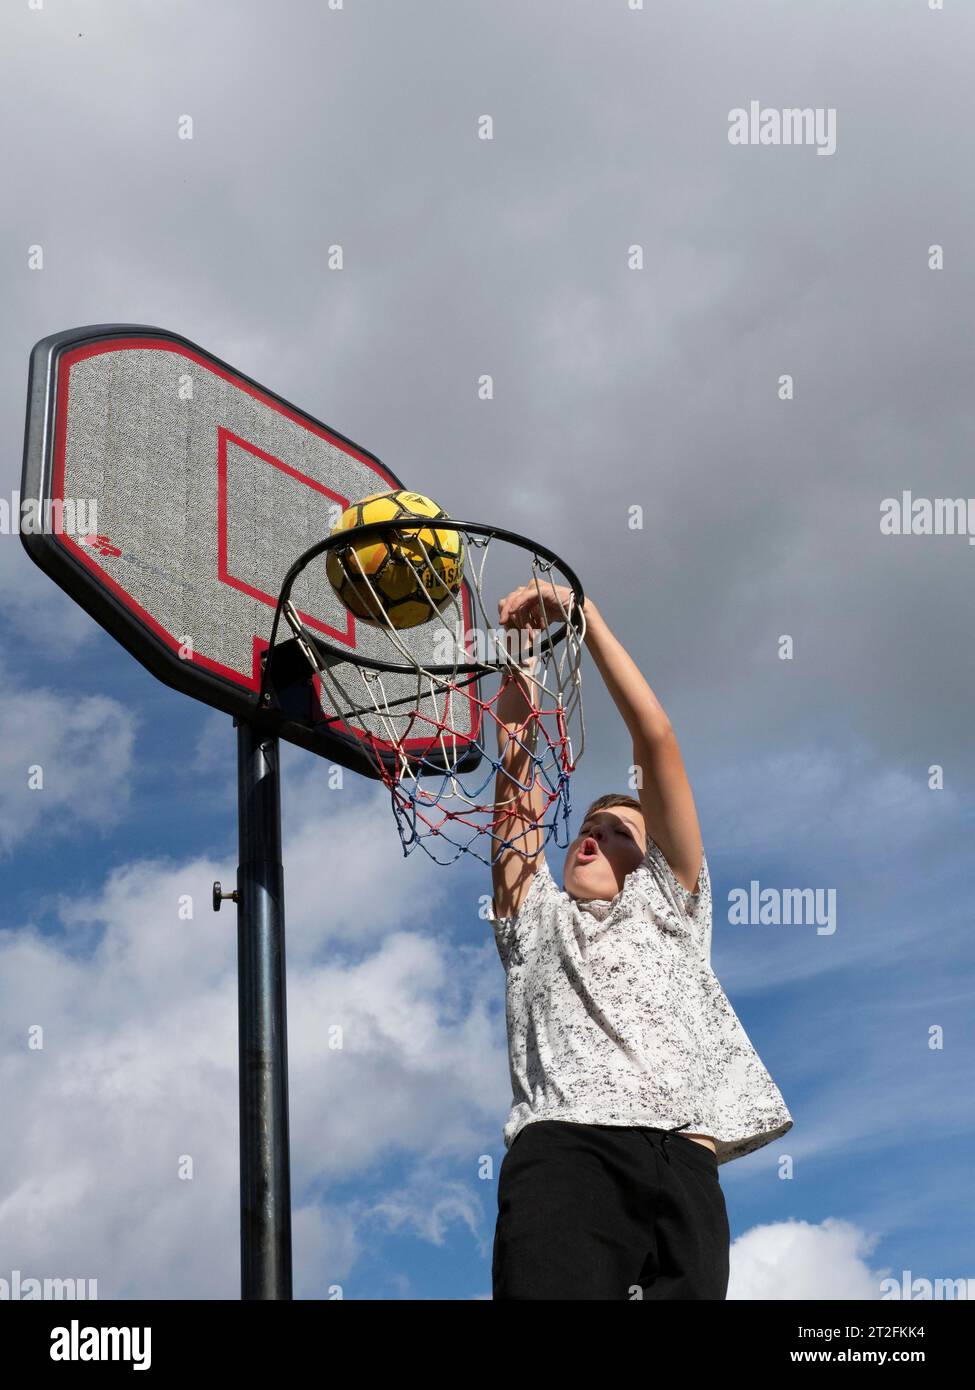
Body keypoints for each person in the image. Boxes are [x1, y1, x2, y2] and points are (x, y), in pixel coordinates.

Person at [487, 582, 793, 1300]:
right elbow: (513, 777)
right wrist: (520, 658)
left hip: (685, 1162)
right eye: (587, 826)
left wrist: (581, 616)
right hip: (568, 1152)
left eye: (620, 828)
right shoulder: (534, 916)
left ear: (651, 856)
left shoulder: (672, 904)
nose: (594, 833)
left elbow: (654, 737)